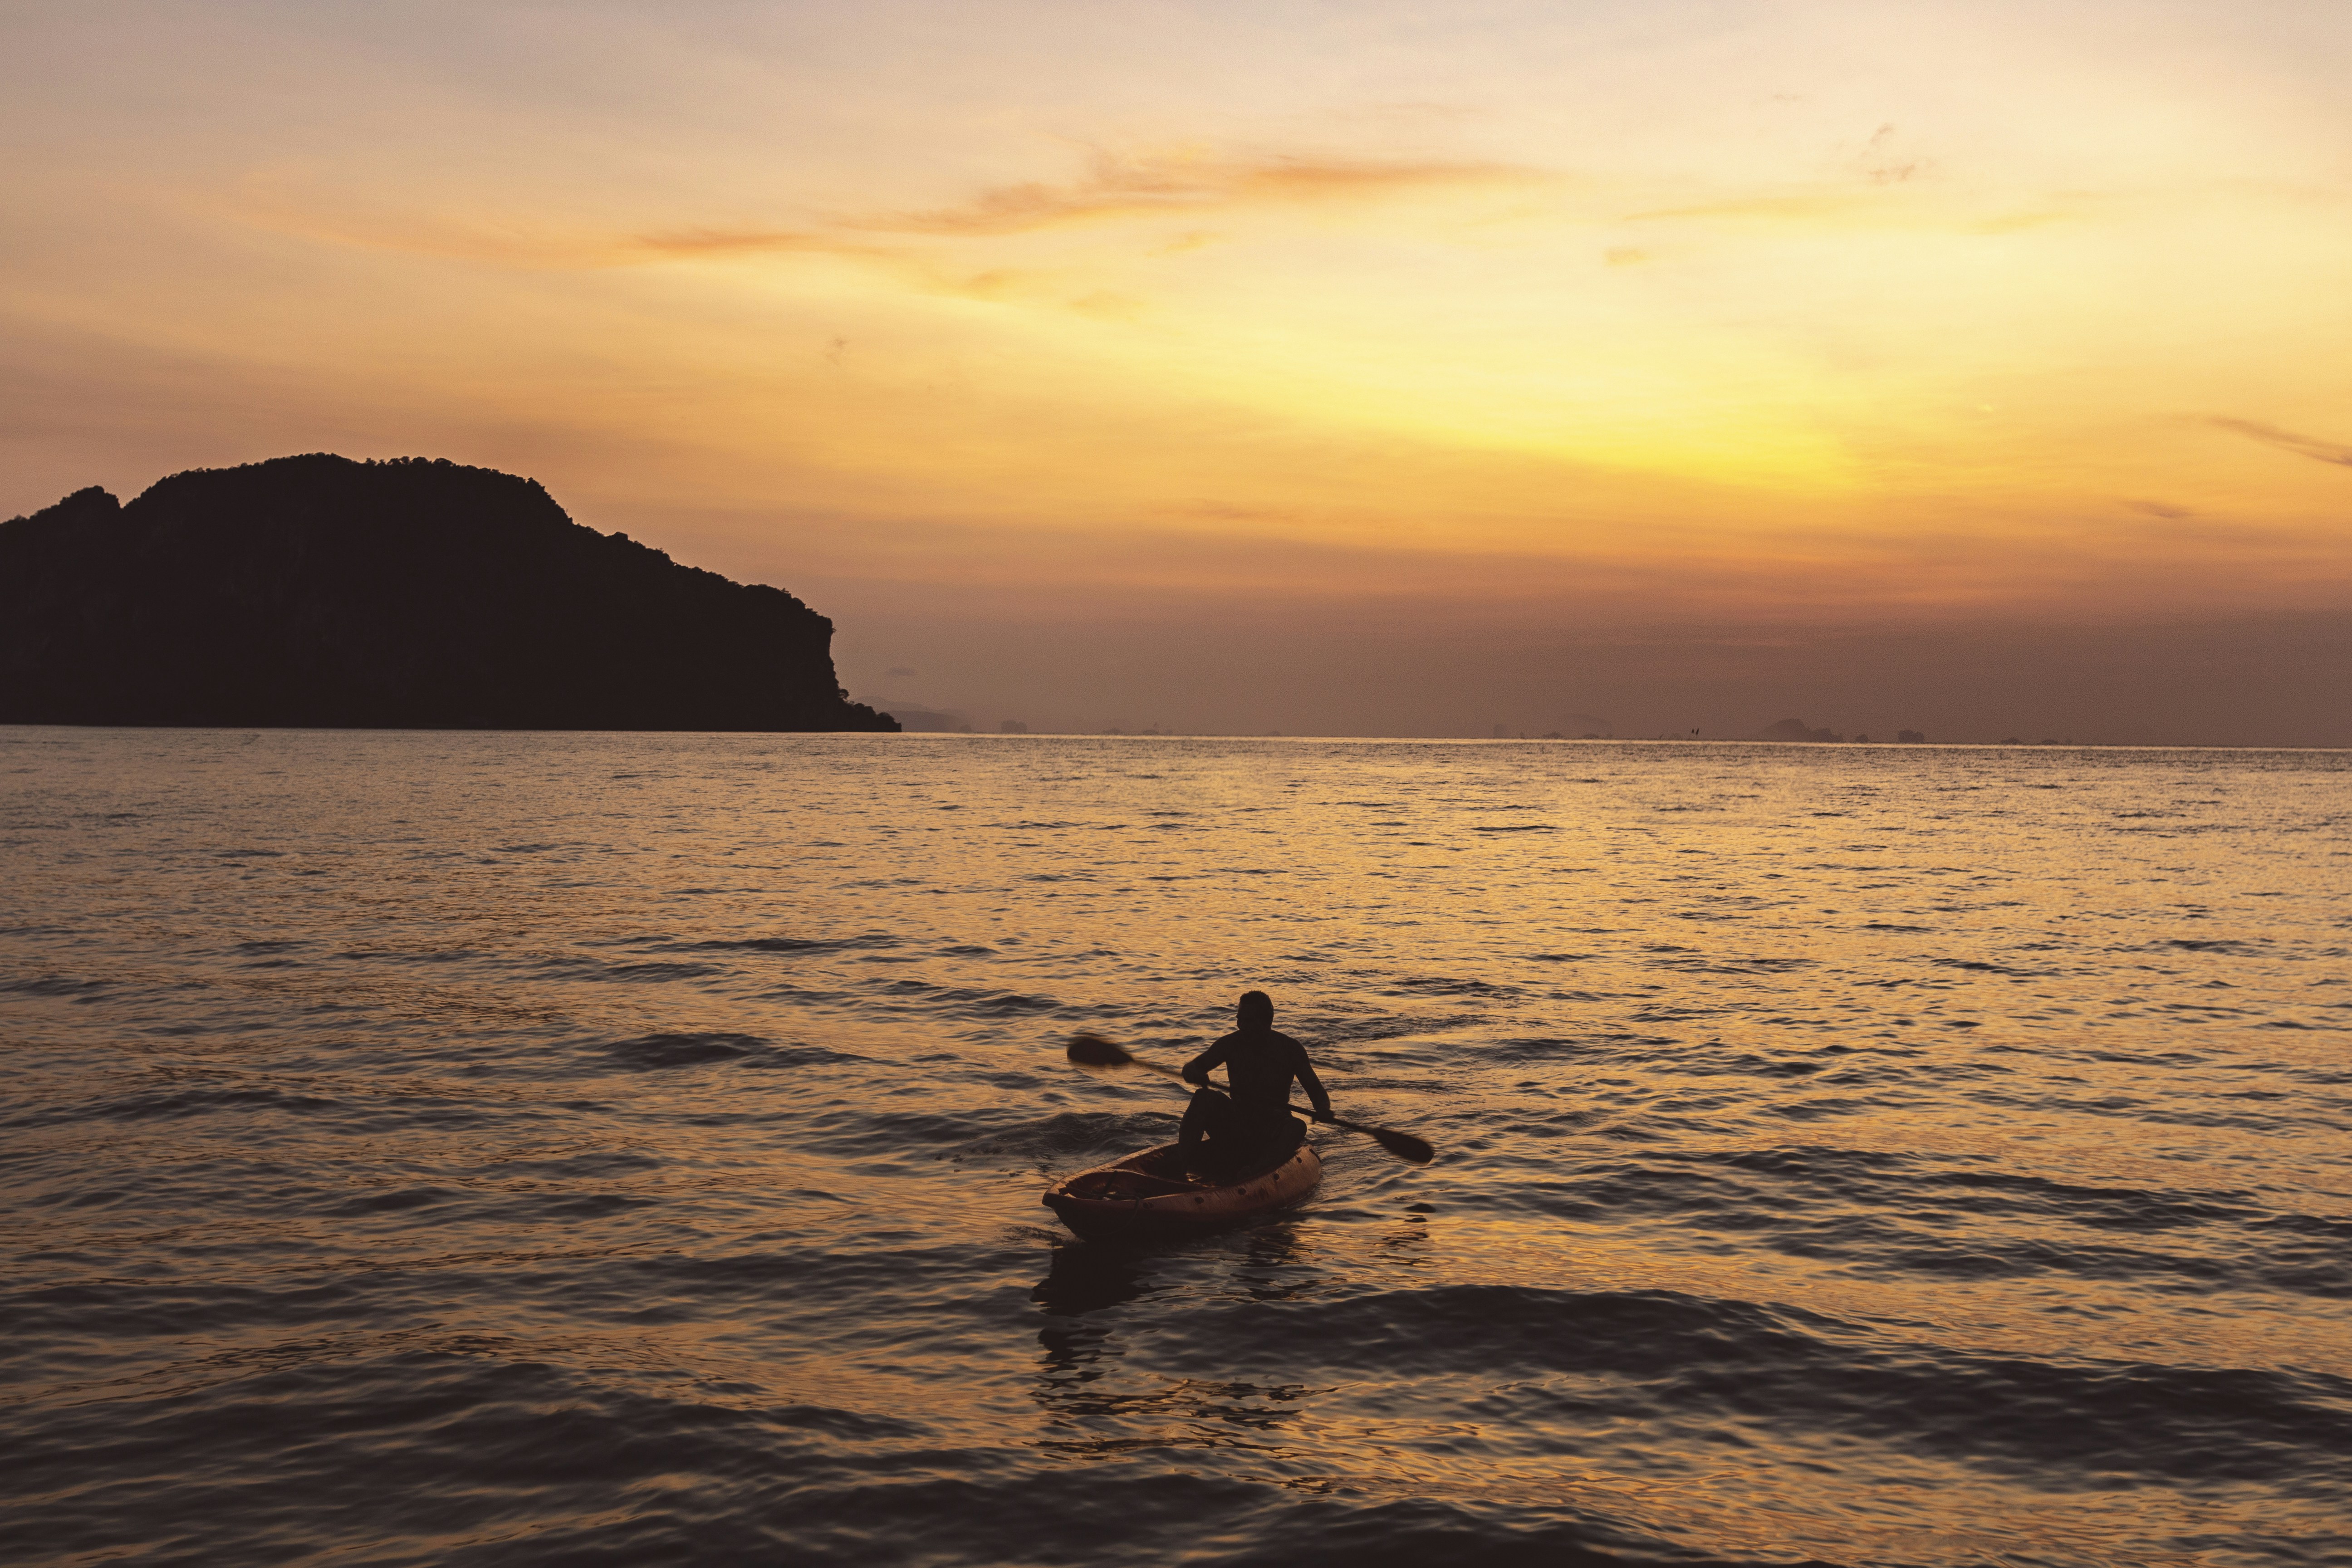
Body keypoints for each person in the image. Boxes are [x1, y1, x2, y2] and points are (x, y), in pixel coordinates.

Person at [1177, 990, 1332, 1180]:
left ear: (1268, 1019)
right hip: (1237, 1124)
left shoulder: (1290, 1049)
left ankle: (1254, 1172)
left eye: (1249, 1021)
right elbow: (1192, 1067)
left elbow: (1317, 1093)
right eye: (1239, 1019)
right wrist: (1194, 1072)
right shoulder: (1230, 1044)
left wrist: (1323, 1109)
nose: (1242, 1026)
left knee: (1297, 1127)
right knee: (1203, 1097)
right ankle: (1180, 1165)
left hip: (1272, 1127)